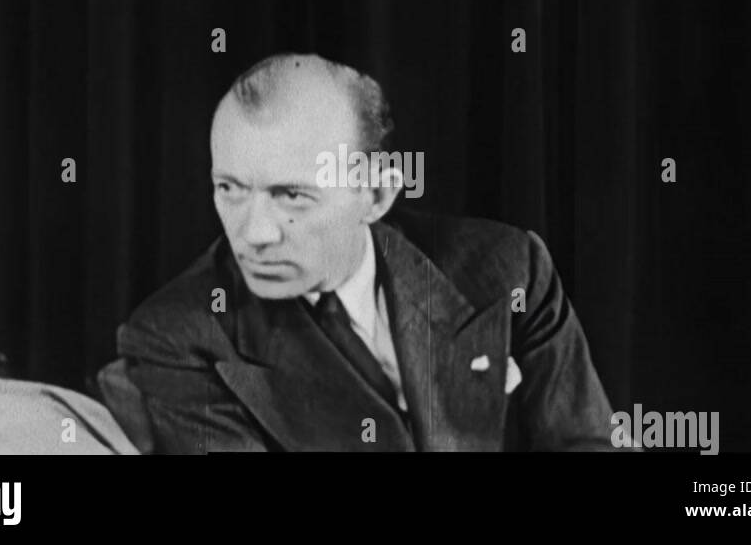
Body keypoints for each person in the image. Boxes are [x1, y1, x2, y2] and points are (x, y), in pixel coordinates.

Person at [107, 53, 616, 452]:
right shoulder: (178, 335)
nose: (255, 233)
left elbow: (588, 445)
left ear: (376, 195)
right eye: (231, 188)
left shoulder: (507, 269)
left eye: (292, 196)